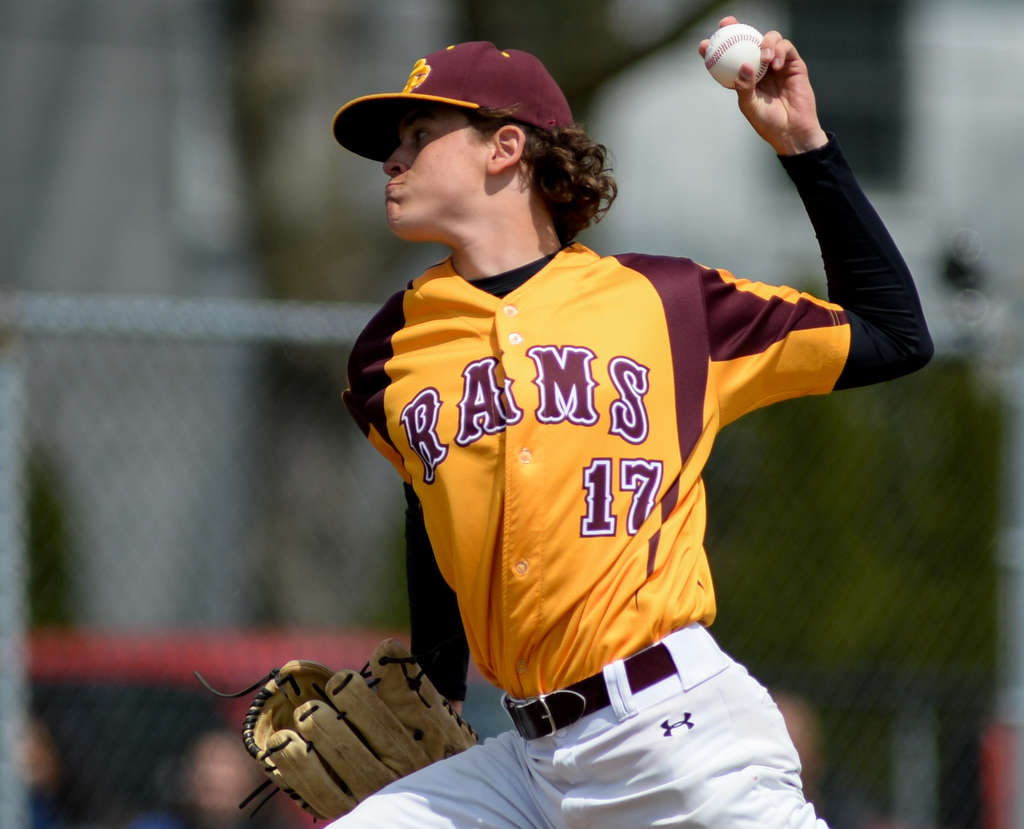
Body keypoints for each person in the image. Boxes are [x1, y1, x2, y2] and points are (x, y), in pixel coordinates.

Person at [334, 17, 932, 829]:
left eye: (419, 132)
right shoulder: (389, 350)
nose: (391, 159)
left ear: (505, 147)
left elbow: (896, 333)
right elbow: (432, 508)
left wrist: (805, 146)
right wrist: (434, 688)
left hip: (676, 733)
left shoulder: (669, 303)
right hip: (526, 762)